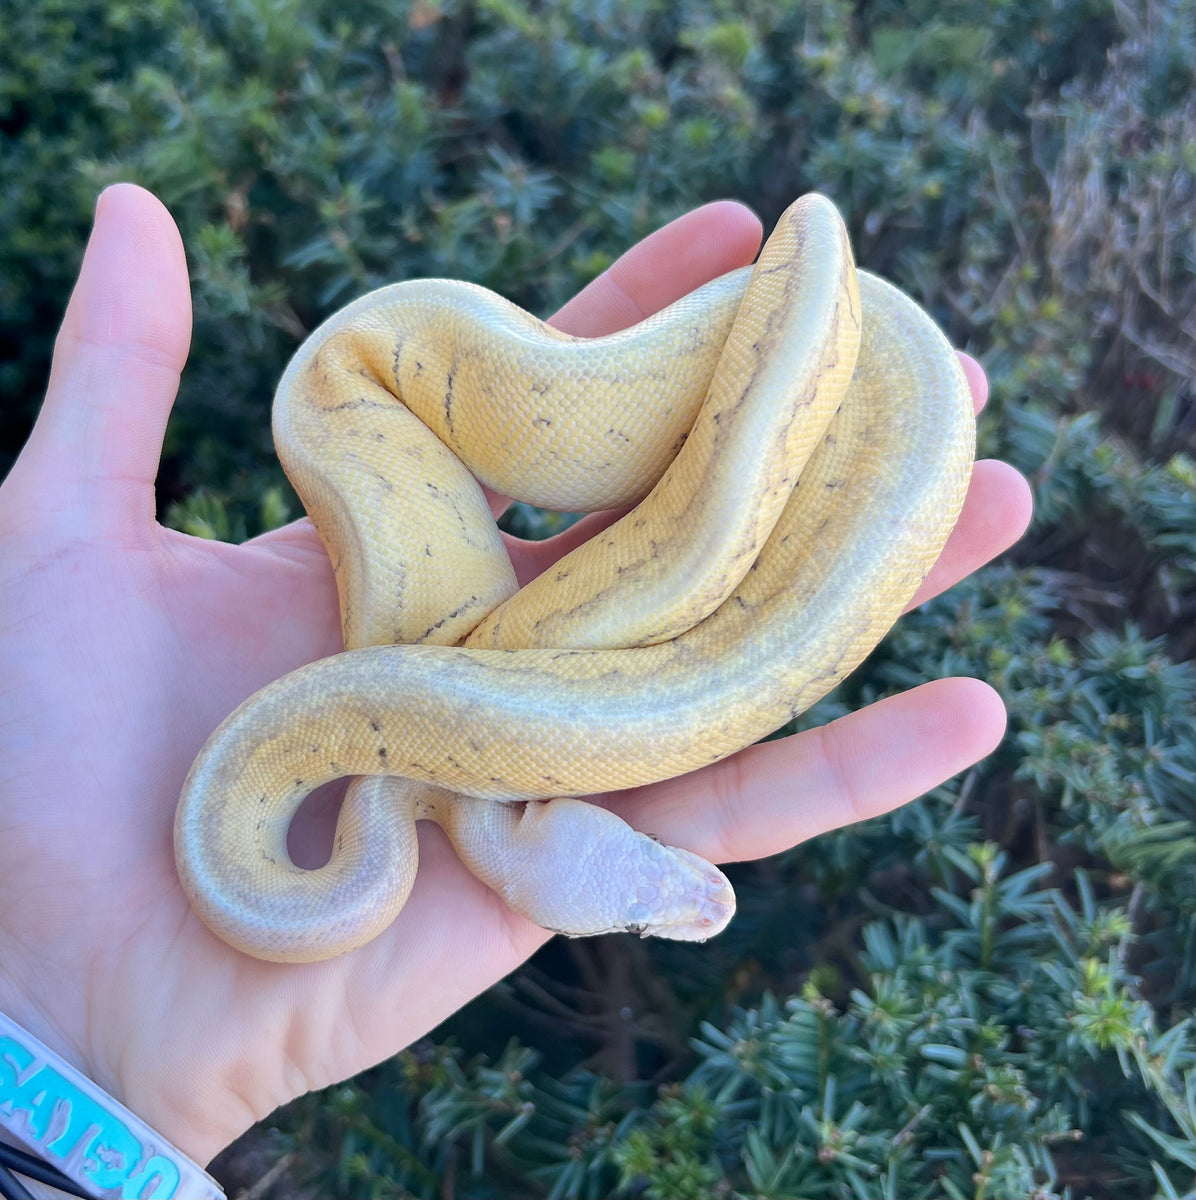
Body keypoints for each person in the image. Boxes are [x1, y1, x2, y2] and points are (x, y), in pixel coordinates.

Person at [0, 184, 1031, 1171]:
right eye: (638, 920)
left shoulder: (414, 774)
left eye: (637, 914)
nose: (687, 905)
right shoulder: (407, 787)